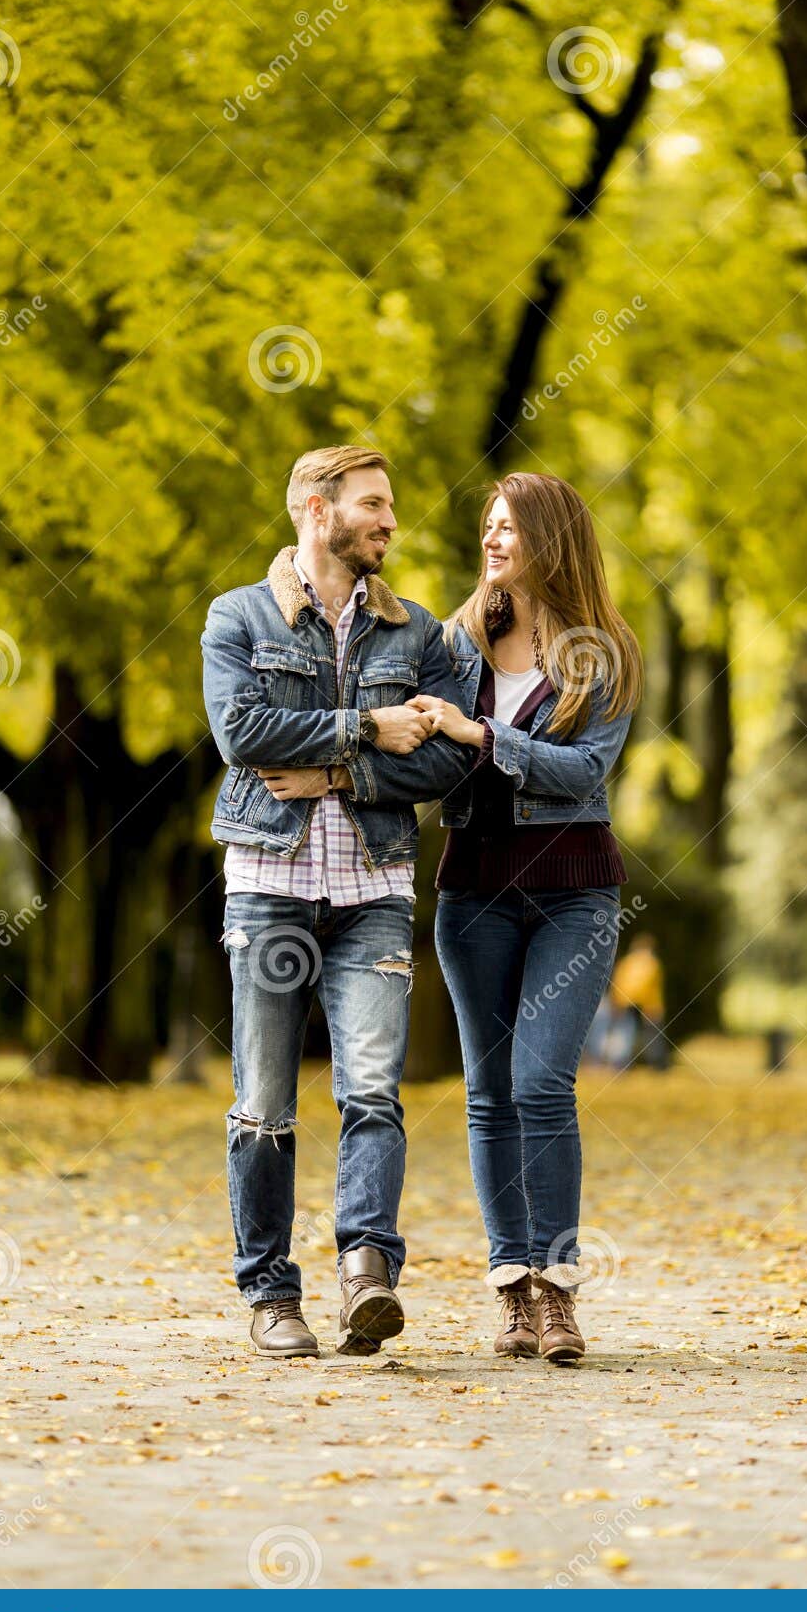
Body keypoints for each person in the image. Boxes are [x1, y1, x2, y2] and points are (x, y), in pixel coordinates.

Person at [201, 446, 471, 1358]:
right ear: (319, 512)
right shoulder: (236, 616)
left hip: (374, 893)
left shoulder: (420, 636)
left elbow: (444, 758)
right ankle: (272, 1296)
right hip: (269, 890)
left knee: (372, 1094)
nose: (391, 521)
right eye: (374, 505)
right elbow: (240, 731)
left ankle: (365, 1274)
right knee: (264, 1105)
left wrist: (325, 769)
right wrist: (365, 728)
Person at [407, 472, 643, 1364]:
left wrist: (480, 738)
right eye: (487, 525)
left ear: (551, 536)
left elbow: (583, 773)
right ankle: (510, 1288)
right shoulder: (457, 640)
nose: (492, 539)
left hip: (572, 889)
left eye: (509, 526)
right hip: (472, 890)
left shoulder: (603, 651)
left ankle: (558, 1289)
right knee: (487, 1091)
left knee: (541, 1081)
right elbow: (414, 744)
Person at [604, 932, 669, 1071]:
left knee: (644, 1036)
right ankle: (620, 1062)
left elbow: (647, 986)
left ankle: (656, 1064)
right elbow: (621, 982)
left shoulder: (644, 963)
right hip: (634, 1004)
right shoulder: (643, 963)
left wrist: (618, 1001)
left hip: (642, 1005)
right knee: (626, 1033)